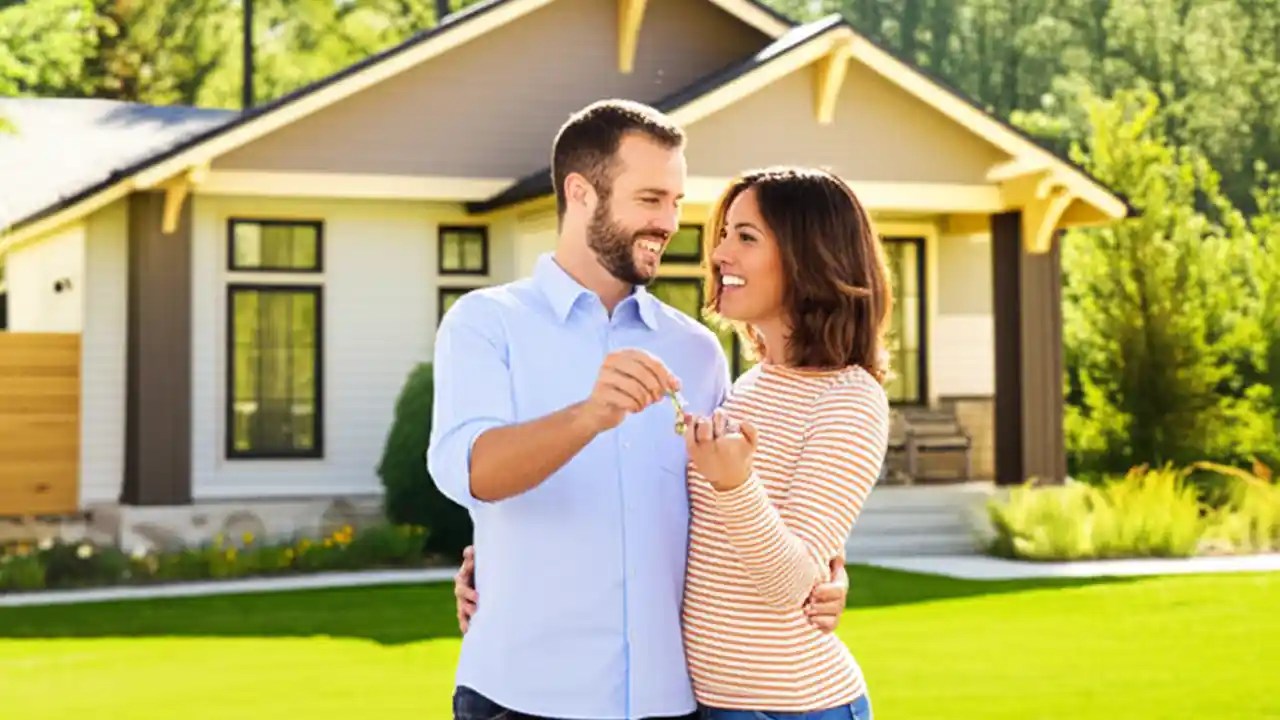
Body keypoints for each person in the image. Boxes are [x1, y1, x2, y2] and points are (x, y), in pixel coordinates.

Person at [428, 99, 849, 720]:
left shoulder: (697, 351)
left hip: (668, 702)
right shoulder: (487, 324)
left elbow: (731, 500)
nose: (670, 222)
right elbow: (468, 472)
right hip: (520, 695)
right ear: (582, 193)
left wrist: (824, 569)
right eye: (651, 199)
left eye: (677, 202)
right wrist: (588, 416)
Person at [679, 167, 892, 720]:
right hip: (706, 703)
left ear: (809, 258)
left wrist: (733, 483)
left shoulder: (851, 398)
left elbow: (791, 584)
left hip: (790, 708)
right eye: (724, 234)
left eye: (746, 237)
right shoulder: (744, 388)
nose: (720, 254)